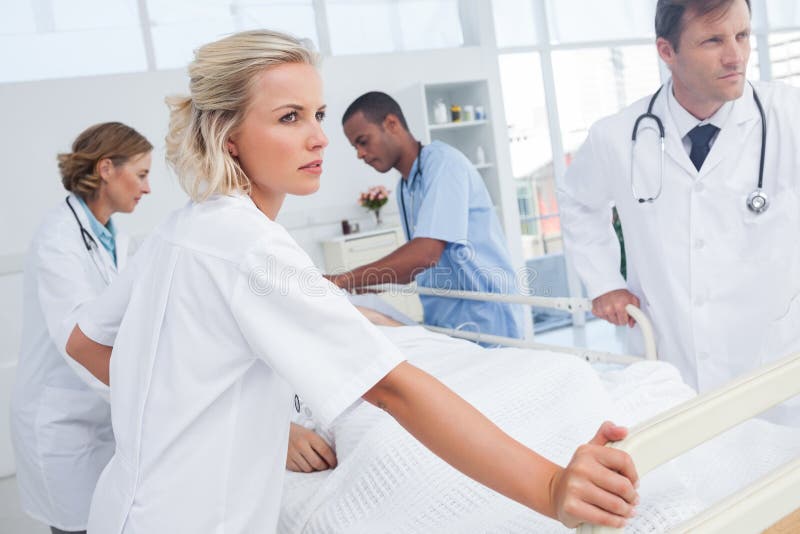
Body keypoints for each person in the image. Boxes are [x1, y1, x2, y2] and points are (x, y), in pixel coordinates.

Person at [62, 30, 638, 532]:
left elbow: (84, 342)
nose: (320, 138)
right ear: (227, 136)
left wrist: (174, 407)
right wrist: (549, 486)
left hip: (126, 511)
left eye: (317, 115)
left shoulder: (180, 228)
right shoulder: (252, 247)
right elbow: (393, 389)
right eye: (290, 117)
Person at [557, 0, 800, 424]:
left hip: (774, 368)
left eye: (742, 36)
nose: (736, 56)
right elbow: (578, 201)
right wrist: (605, 283)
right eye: (713, 41)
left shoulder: (789, 115)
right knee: (686, 455)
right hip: (671, 368)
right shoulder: (617, 137)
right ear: (666, 51)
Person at [10, 122, 152, 534]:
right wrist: (145, 397)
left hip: (98, 417)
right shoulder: (58, 239)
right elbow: (78, 339)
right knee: (77, 527)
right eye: (141, 174)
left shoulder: (110, 236)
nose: (147, 188)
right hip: (61, 421)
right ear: (106, 169)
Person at [329, 91, 524, 340]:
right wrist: (361, 284)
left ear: (392, 124)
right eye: (355, 147)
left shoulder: (444, 164)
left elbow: (425, 254)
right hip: (445, 321)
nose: (360, 154)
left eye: (363, 141)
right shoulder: (405, 188)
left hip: (486, 317)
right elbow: (415, 269)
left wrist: (343, 280)